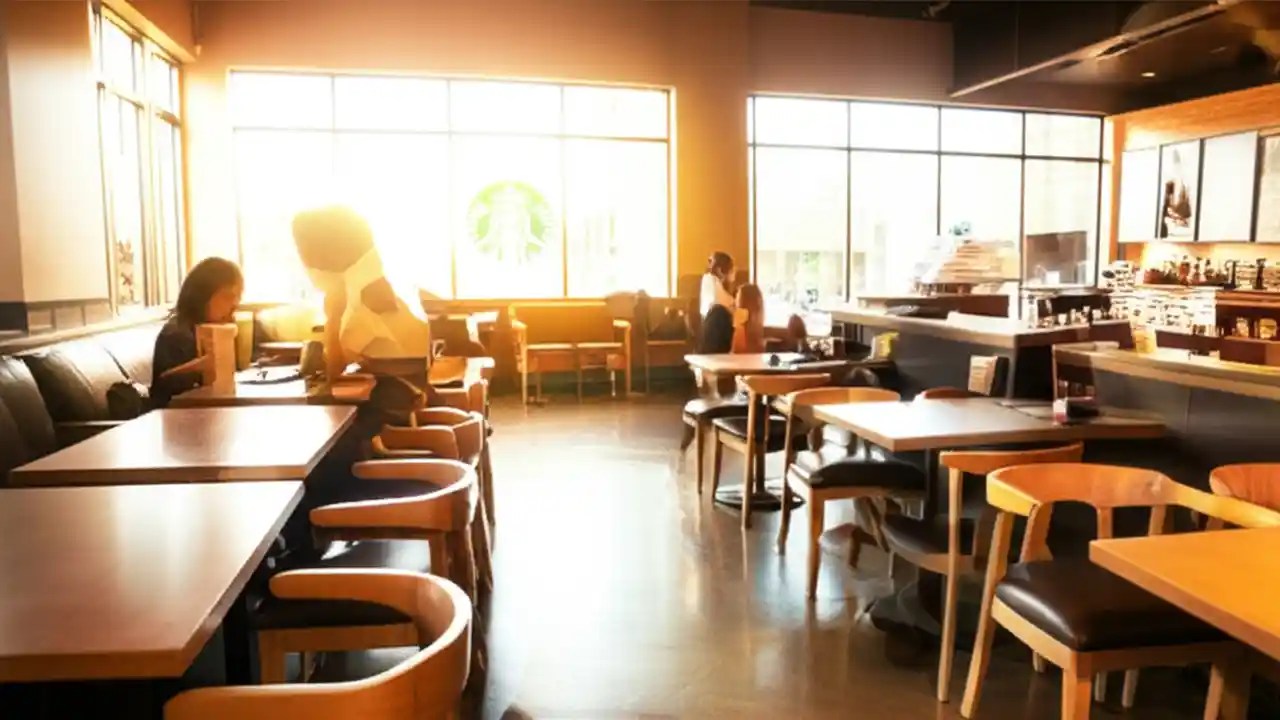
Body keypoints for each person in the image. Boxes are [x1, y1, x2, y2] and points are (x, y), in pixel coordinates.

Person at [292, 204, 435, 423]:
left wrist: (333, 318)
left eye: (303, 254)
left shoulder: (363, 302)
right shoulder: (380, 283)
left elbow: (335, 372)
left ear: (326, 255)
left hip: (387, 429)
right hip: (408, 409)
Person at [150, 257, 244, 408]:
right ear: (202, 296)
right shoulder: (176, 335)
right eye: (227, 297)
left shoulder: (220, 329)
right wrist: (199, 368)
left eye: (238, 296)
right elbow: (165, 393)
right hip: (179, 422)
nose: (235, 305)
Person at [731, 283, 766, 354]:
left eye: (738, 297)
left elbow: (736, 351)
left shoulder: (740, 319)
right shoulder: (757, 321)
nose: (735, 301)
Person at [700, 251, 736, 319]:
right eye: (732, 269)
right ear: (720, 270)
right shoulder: (711, 281)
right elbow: (726, 304)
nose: (734, 272)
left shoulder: (707, 278)